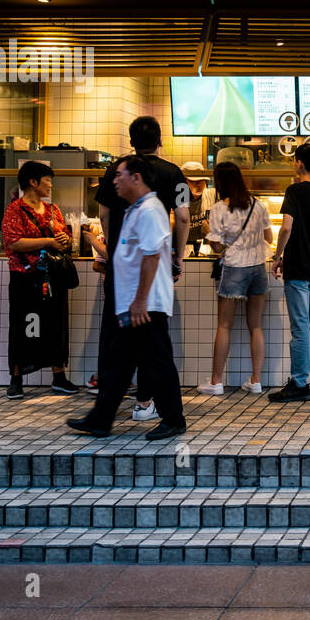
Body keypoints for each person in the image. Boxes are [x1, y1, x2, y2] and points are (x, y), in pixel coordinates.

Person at [67, 155, 185, 440]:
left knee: (157, 362)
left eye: (120, 175)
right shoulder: (135, 209)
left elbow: (152, 255)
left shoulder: (151, 210)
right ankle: (100, 419)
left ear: (137, 178)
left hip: (146, 304)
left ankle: (173, 419)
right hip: (132, 302)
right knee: (118, 362)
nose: (114, 180)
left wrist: (141, 300)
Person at [87, 117, 189, 420]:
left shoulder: (117, 171)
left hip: (127, 271)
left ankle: (111, 411)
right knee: (137, 344)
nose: (119, 180)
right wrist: (178, 257)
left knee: (124, 339)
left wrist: (112, 250)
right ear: (160, 141)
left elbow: (103, 216)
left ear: (131, 142)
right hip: (145, 271)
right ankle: (136, 404)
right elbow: (182, 218)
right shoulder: (174, 173)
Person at [1, 161, 78, 399]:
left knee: (55, 325)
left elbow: (63, 235)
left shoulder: (53, 209)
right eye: (47, 180)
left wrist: (64, 239)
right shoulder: (15, 210)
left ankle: (59, 377)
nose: (50, 185)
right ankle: (16, 380)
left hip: (52, 276)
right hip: (25, 278)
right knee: (21, 327)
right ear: (32, 182)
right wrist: (48, 242)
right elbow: (14, 242)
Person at [198, 162, 273, 396]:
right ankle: (256, 380)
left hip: (234, 268)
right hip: (258, 267)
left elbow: (217, 245)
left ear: (219, 183)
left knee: (224, 325)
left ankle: (216, 381)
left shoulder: (220, 208)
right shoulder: (258, 205)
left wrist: (205, 230)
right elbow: (269, 237)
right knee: (256, 325)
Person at [268, 142, 310, 402]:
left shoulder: (294, 191)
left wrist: (277, 257)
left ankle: (298, 384)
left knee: (300, 328)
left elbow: (286, 228)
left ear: (298, 163)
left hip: (297, 271)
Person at [181, 161, 212, 256]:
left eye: (200, 180)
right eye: (192, 181)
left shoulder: (211, 196)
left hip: (205, 249)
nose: (197, 185)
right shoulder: (177, 200)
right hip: (182, 248)